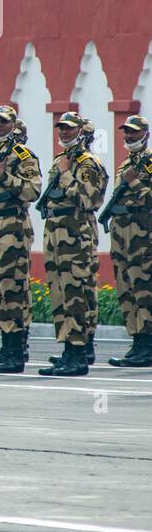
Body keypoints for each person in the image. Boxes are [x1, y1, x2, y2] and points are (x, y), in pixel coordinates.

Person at [37, 111, 108, 376]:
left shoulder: (87, 163)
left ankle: (78, 354)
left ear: (80, 131)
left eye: (69, 128)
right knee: (60, 292)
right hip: (56, 234)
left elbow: (88, 200)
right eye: (61, 128)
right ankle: (69, 349)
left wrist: (66, 174)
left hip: (76, 236)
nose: (64, 132)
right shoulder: (62, 160)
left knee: (76, 292)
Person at [0, 105, 41, 374]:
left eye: (4, 122)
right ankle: (7, 346)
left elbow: (32, 190)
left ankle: (15, 352)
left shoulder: (22, 155)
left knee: (12, 288)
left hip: (11, 227)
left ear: (13, 124)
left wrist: (6, 176)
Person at [108, 115, 152, 367]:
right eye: (126, 132)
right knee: (127, 292)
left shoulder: (149, 163)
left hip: (142, 238)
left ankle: (147, 345)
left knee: (144, 291)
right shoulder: (126, 164)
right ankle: (136, 341)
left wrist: (134, 182)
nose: (129, 136)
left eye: (134, 132)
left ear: (145, 134)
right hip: (122, 237)